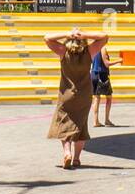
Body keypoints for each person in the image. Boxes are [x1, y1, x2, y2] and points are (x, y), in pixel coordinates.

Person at [45, 26, 109, 169]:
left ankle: (67, 152)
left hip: (66, 94)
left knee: (64, 124)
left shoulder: (63, 52)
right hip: (84, 94)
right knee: (81, 126)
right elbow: (104, 36)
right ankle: (76, 159)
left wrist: (68, 34)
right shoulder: (89, 52)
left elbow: (47, 37)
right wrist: (83, 34)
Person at [91, 45, 118, 127]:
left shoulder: (92, 48)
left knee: (96, 98)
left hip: (93, 73)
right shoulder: (102, 48)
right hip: (102, 74)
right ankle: (107, 119)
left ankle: (95, 121)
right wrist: (118, 61)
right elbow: (106, 64)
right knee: (109, 97)